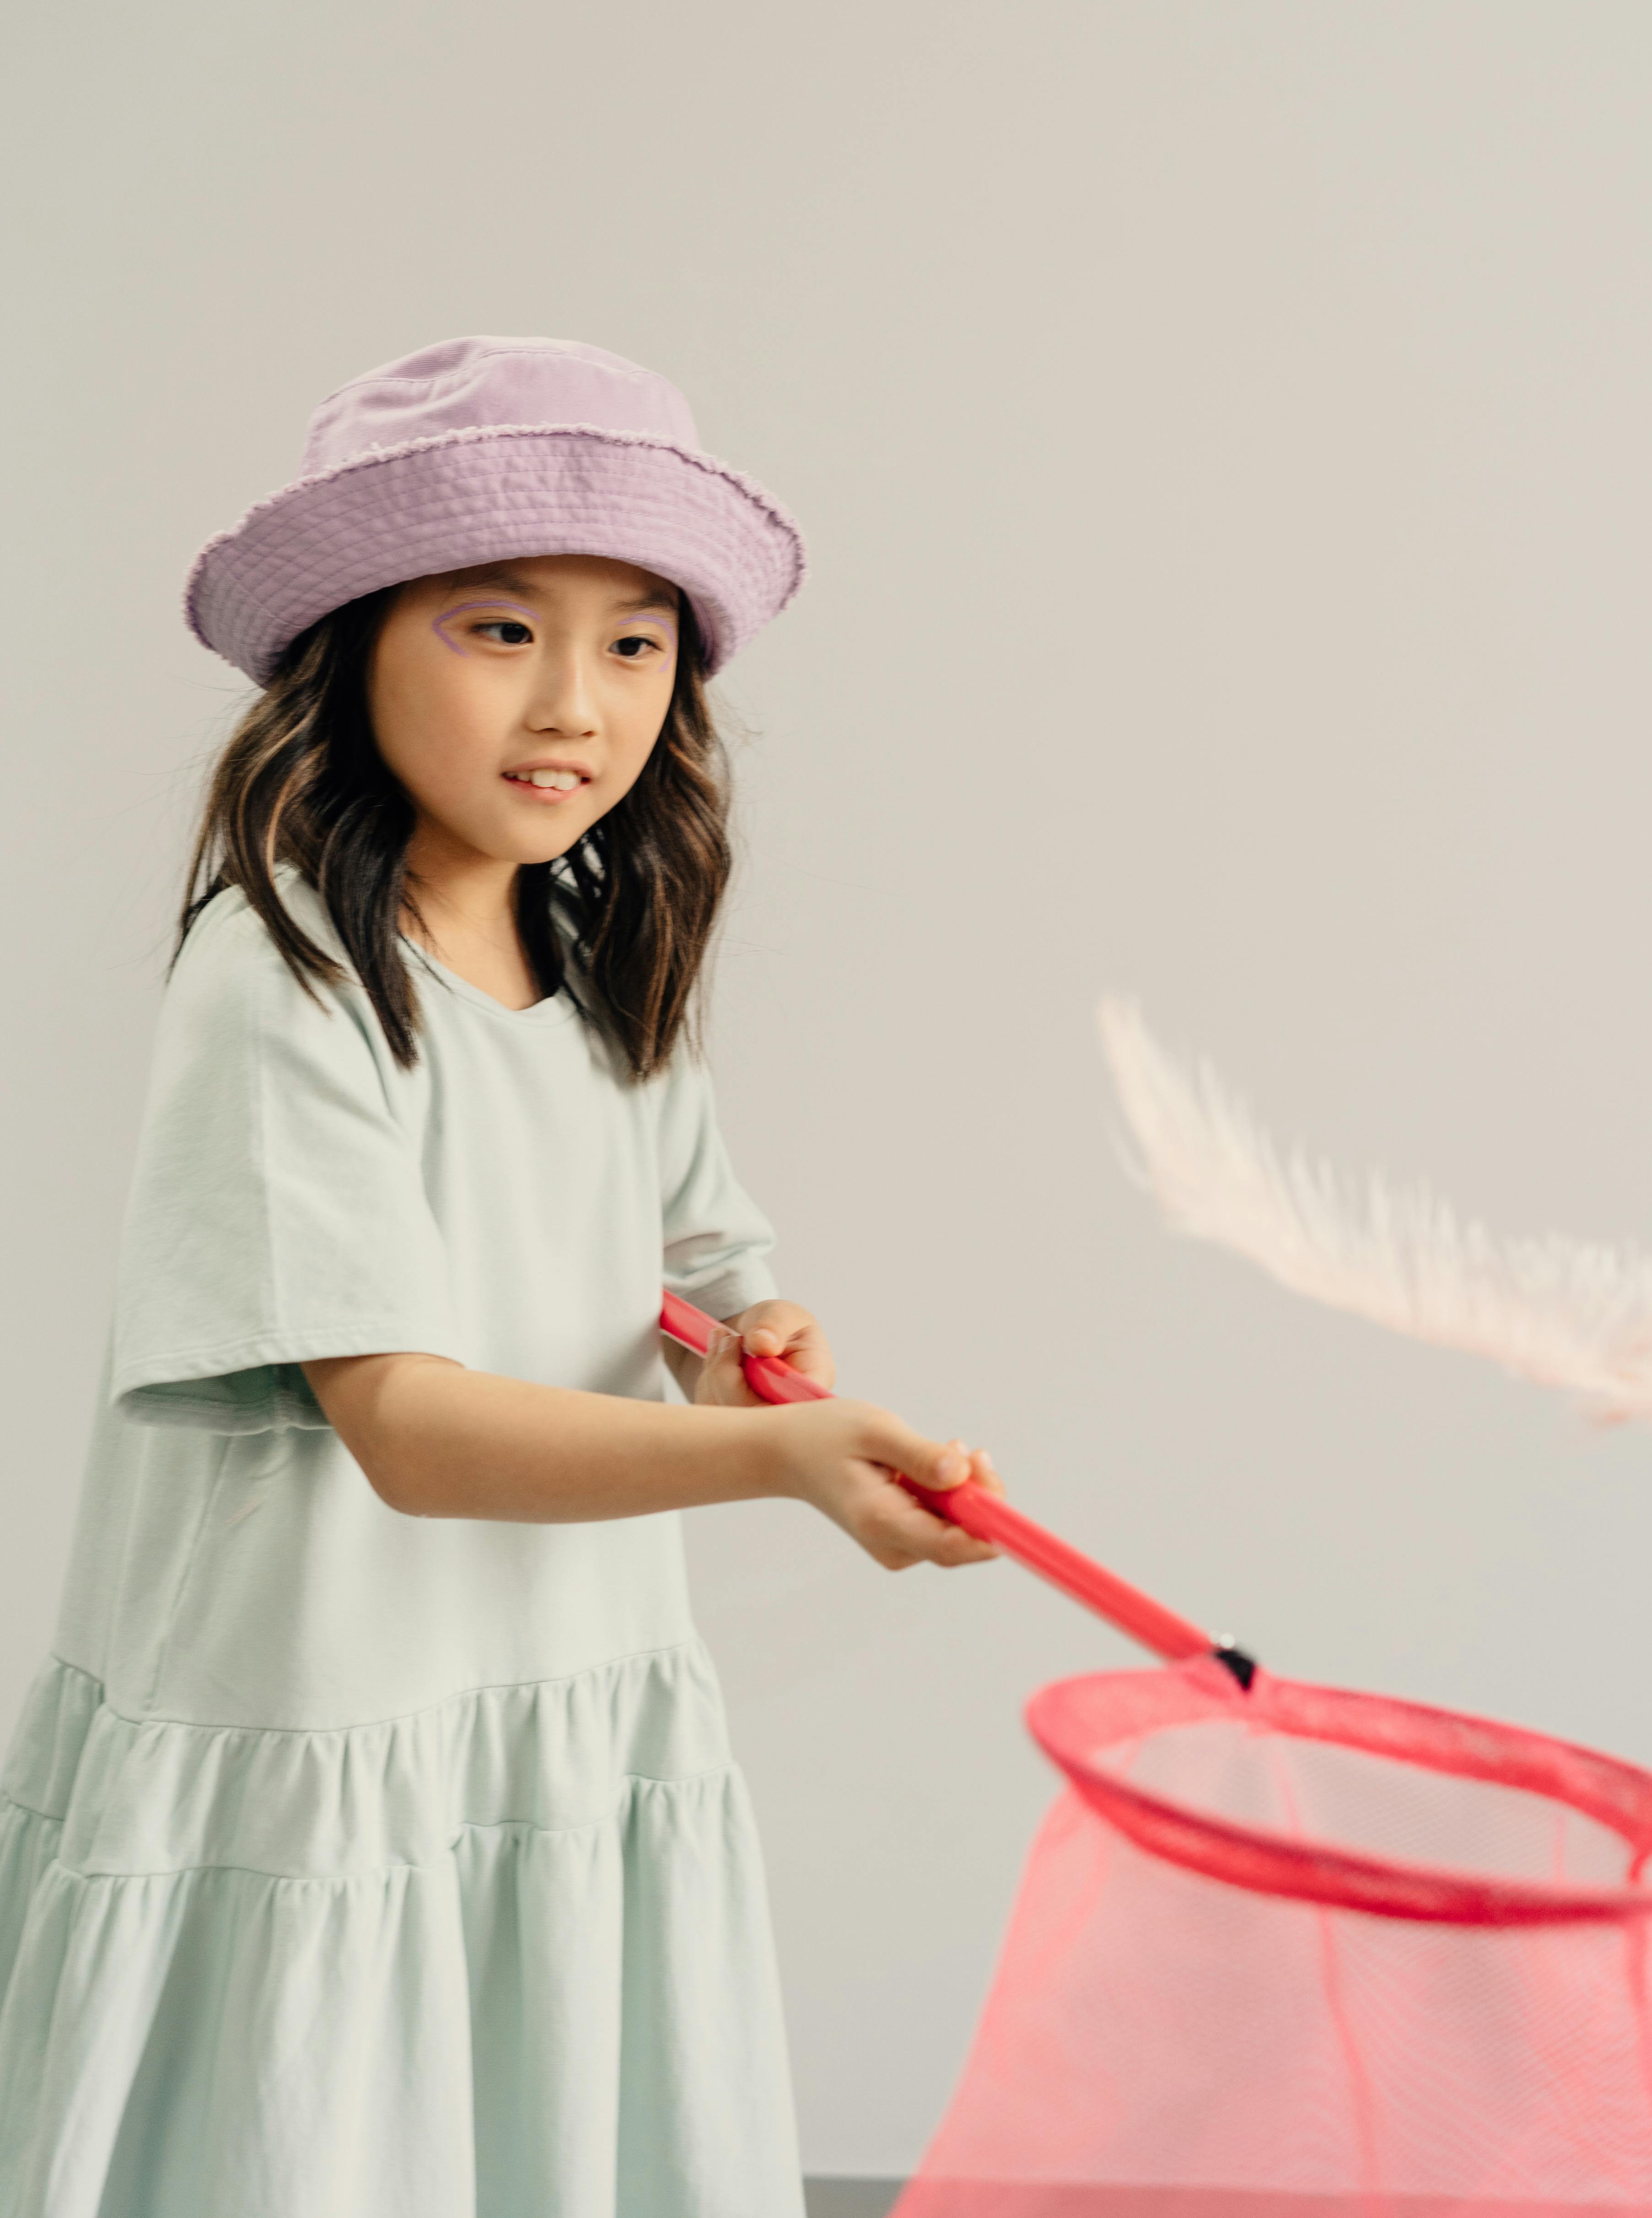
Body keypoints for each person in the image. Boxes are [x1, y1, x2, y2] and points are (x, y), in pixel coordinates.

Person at [0, 335, 1002, 2218]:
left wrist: (750, 1358)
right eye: (497, 628)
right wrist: (788, 1463)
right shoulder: (284, 977)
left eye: (635, 642)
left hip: (554, 1685)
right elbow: (409, 1426)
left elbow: (698, 1272)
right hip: (333, 1718)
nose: (576, 703)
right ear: (353, 645)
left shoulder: (596, 944)